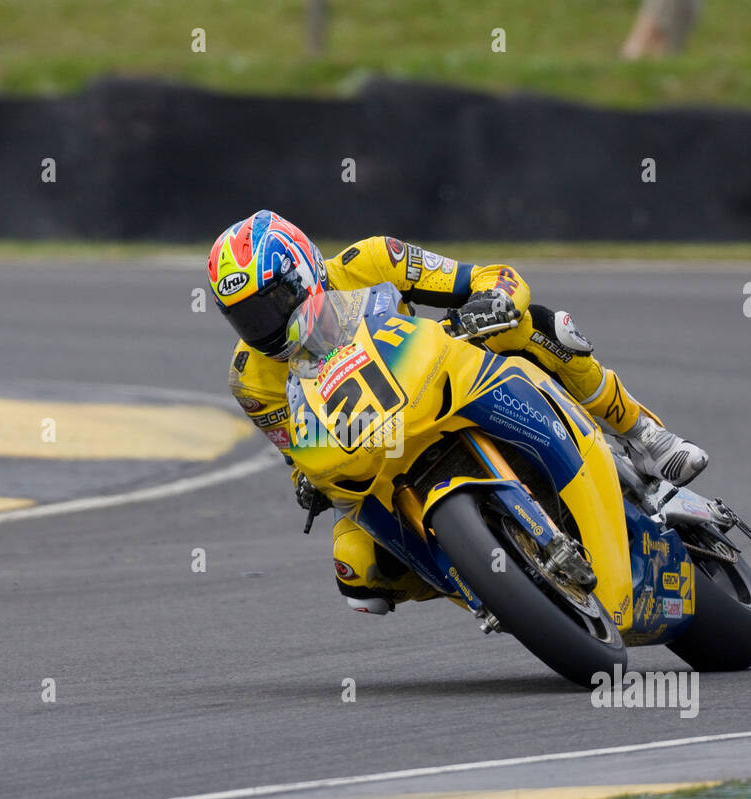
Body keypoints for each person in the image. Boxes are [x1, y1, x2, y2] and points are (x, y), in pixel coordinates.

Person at [208, 209, 707, 613]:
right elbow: (296, 451)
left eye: (272, 305)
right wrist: (304, 479)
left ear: (304, 272)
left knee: (533, 326)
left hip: (437, 379)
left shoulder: (371, 260)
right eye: (247, 317)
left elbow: (488, 277)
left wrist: (496, 300)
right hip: (371, 452)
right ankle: (480, 581)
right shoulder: (250, 378)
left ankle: (644, 435)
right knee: (356, 573)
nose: (265, 326)